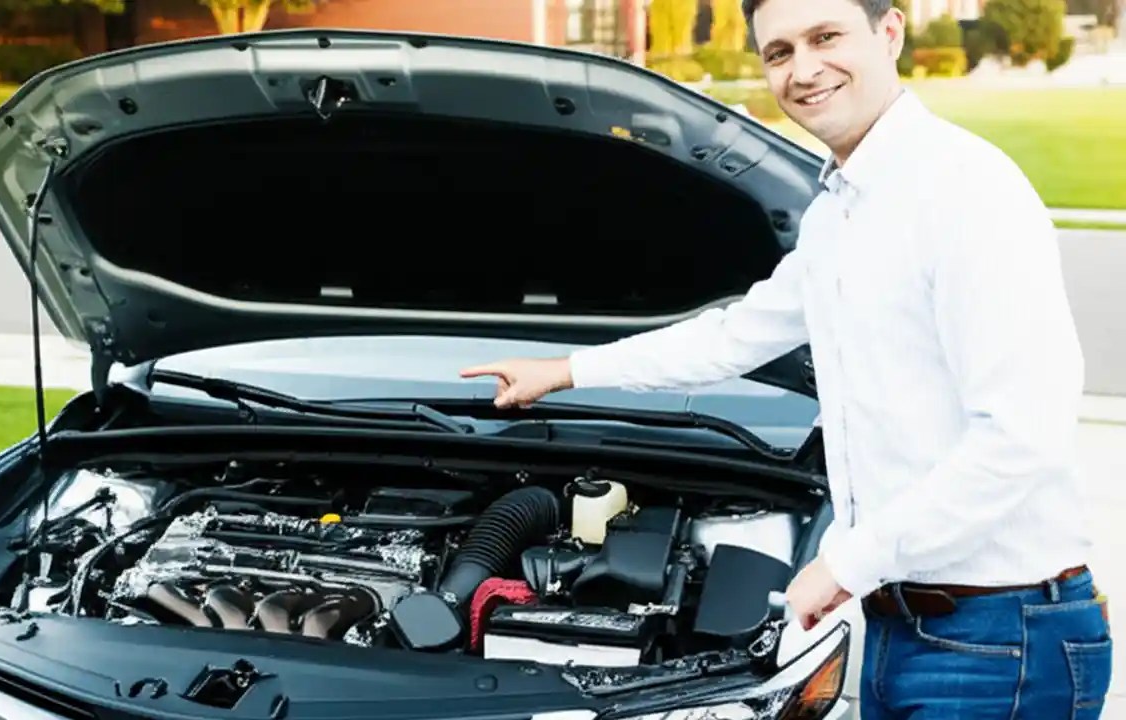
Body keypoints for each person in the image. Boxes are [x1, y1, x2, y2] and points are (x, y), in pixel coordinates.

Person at [460, 0, 1113, 716]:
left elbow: (1022, 436)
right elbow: (734, 336)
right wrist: (566, 371)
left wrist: (843, 564)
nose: (803, 70)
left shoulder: (965, 193)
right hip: (912, 625)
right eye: (779, 52)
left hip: (1001, 637)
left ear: (889, 32)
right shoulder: (840, 210)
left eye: (826, 38)